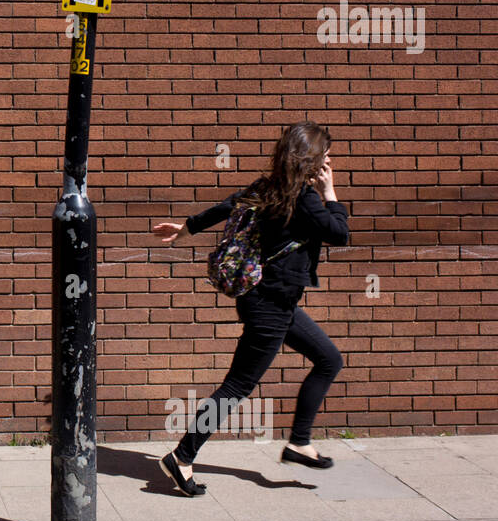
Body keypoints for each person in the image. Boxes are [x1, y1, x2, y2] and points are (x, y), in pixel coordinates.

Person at [149, 122, 351, 496]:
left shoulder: (267, 188)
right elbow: (339, 232)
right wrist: (330, 191)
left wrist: (187, 228)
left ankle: (299, 443)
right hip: (270, 305)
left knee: (328, 360)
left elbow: (227, 206)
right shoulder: (303, 198)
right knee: (236, 386)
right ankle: (181, 456)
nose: (330, 160)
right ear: (312, 159)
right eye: (326, 155)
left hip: (274, 302)